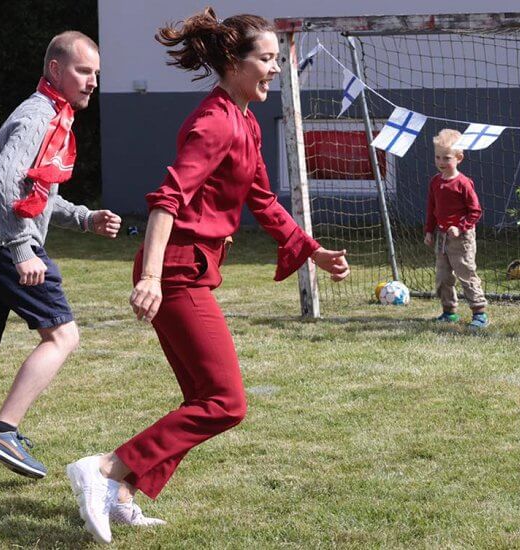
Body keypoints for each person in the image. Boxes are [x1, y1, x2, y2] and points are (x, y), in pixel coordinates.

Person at [65, 8, 350, 544]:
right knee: (224, 401)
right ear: (233, 63)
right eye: (266, 59)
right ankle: (104, 469)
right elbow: (167, 199)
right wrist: (149, 276)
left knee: (202, 394)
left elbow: (264, 201)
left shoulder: (243, 120)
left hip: (193, 268)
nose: (274, 69)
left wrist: (312, 252)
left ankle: (122, 493)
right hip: (175, 272)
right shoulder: (215, 121)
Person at [0, 31, 127, 499]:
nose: (92, 81)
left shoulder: (51, 115)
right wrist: (21, 248)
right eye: (82, 70)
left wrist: (84, 217)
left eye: (96, 73)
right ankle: (3, 430)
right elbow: (4, 181)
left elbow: (37, 191)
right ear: (55, 70)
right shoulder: (39, 115)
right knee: (63, 334)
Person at [423, 129, 489, 330]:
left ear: (459, 158)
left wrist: (460, 228)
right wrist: (429, 230)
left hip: (462, 238)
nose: (441, 162)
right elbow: (432, 208)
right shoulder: (435, 182)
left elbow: (475, 211)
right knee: (443, 275)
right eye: (437, 157)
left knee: (466, 273)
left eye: (447, 158)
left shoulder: (463, 183)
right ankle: (448, 311)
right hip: (442, 236)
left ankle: (479, 312)